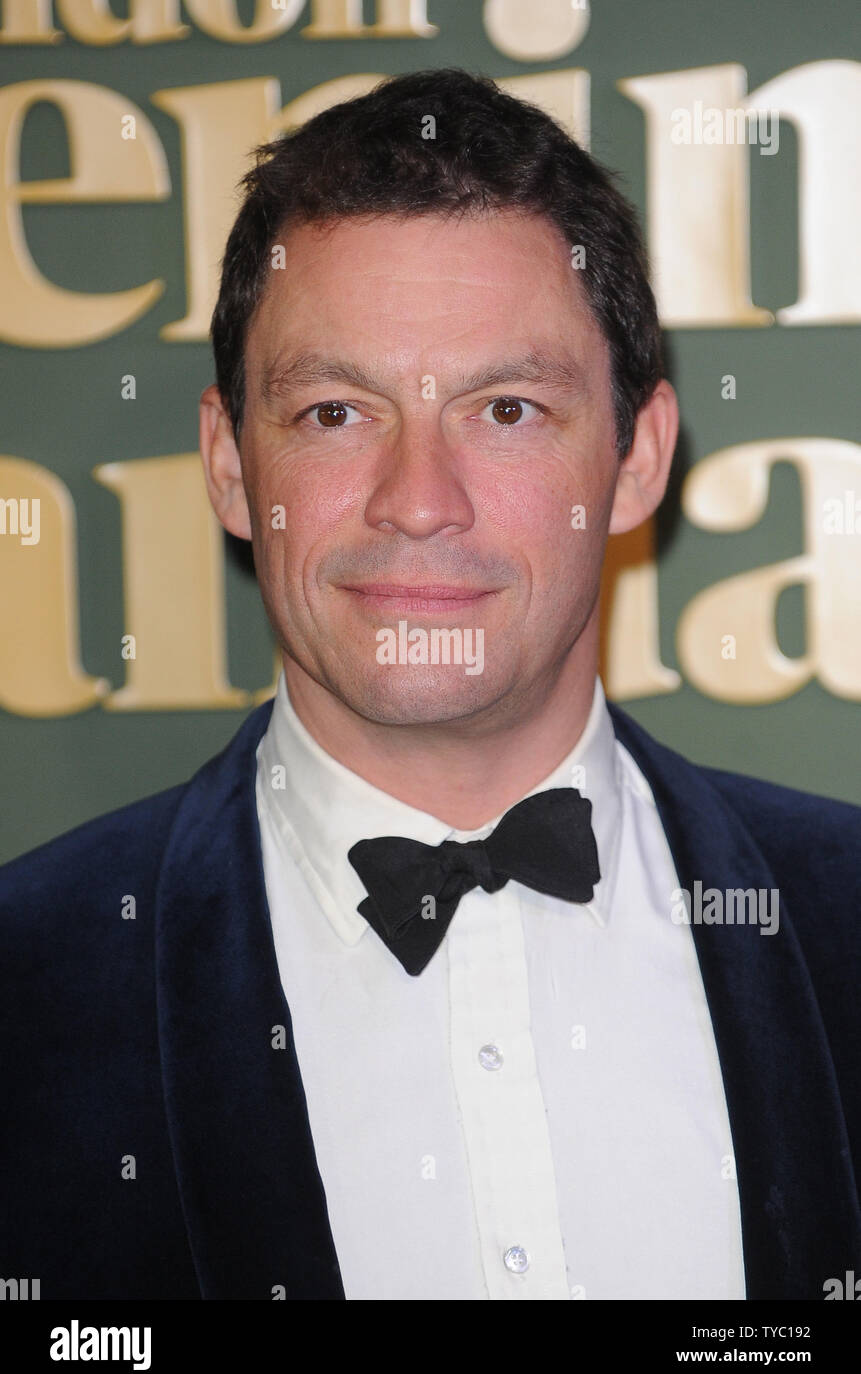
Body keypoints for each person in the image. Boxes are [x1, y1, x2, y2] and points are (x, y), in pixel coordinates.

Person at [1, 68, 858, 1303]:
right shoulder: (25, 991)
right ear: (231, 466)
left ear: (637, 458)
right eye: (337, 411)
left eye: (506, 408)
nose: (418, 499)